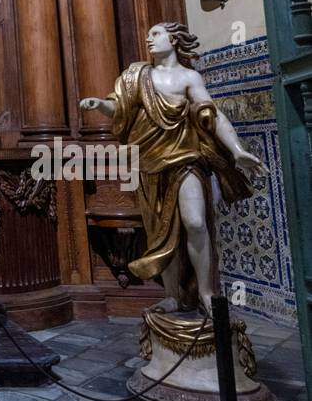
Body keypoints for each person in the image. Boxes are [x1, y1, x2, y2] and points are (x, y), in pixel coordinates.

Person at [80, 22, 265, 314]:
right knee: (161, 235)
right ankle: (173, 295)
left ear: (174, 39)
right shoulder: (138, 76)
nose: (148, 39)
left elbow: (211, 115)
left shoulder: (189, 77)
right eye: (148, 35)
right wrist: (100, 105)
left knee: (194, 222)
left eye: (156, 34)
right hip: (150, 165)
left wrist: (237, 149)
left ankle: (205, 291)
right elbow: (120, 108)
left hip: (186, 160)